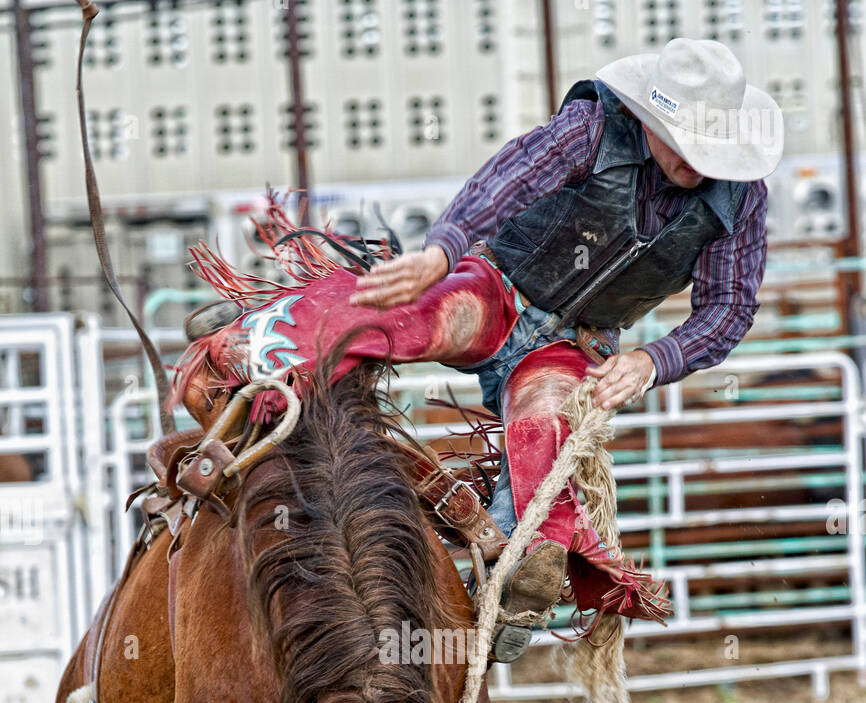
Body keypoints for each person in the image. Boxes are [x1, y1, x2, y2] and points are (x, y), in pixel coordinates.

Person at [173, 38, 782, 660]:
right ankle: (256, 345)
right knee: (413, 314)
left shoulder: (741, 197)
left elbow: (729, 308)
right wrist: (443, 249)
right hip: (500, 285)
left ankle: (508, 584)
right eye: (684, 142)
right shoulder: (595, 129)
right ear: (650, 120)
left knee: (546, 439)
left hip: (575, 343)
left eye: (709, 149)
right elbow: (506, 181)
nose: (696, 164)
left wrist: (653, 361)